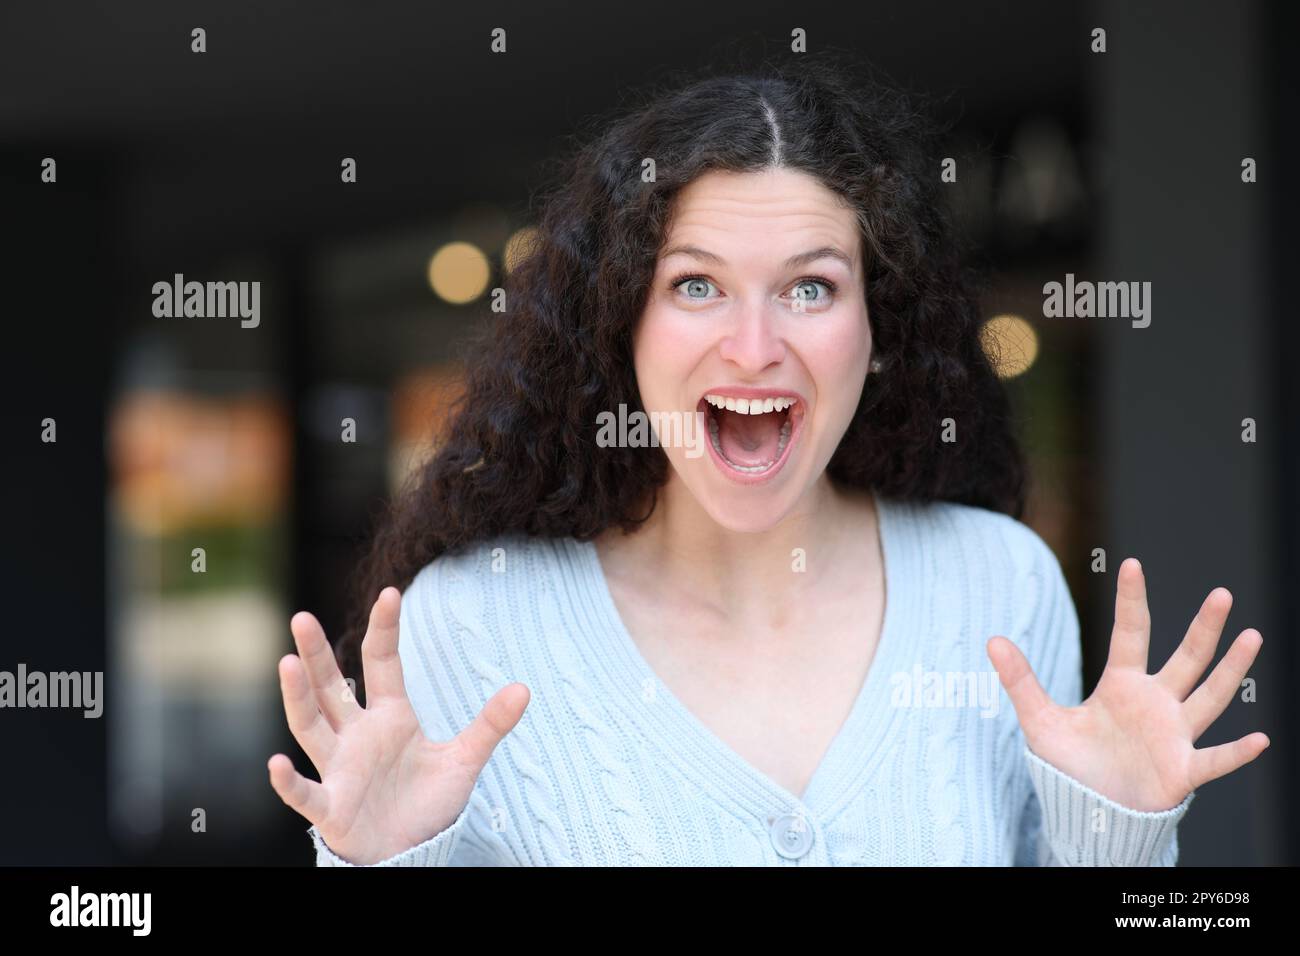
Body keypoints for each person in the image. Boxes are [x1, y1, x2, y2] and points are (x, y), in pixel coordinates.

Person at [267, 54, 1269, 866]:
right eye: (696, 286)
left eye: (810, 288)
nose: (754, 345)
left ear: (878, 324)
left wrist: (1119, 832)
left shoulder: (997, 583)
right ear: (621, 323)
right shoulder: (473, 617)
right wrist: (377, 864)